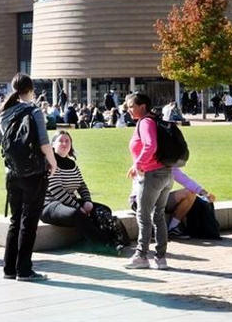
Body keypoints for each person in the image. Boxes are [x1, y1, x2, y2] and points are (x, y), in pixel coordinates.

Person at [0, 73, 56, 281]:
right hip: (34, 173)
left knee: (15, 220)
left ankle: (9, 268)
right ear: (31, 90)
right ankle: (24, 269)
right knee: (29, 222)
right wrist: (53, 162)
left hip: (12, 173)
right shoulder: (34, 111)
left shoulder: (4, 112)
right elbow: (44, 142)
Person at [41, 132, 122, 251]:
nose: (64, 143)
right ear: (53, 144)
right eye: (61, 141)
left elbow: (81, 185)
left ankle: (116, 240)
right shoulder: (51, 163)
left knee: (103, 210)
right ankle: (102, 245)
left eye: (67, 141)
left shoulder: (72, 164)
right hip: (50, 205)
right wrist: (78, 207)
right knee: (77, 214)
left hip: (69, 202)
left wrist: (87, 201)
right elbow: (56, 189)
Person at [124, 92, 173, 270]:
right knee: (158, 216)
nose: (128, 110)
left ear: (142, 106)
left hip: (152, 175)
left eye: (131, 106)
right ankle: (161, 259)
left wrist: (137, 164)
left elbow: (150, 145)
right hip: (166, 174)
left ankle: (141, 256)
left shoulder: (145, 122)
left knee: (143, 216)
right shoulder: (155, 120)